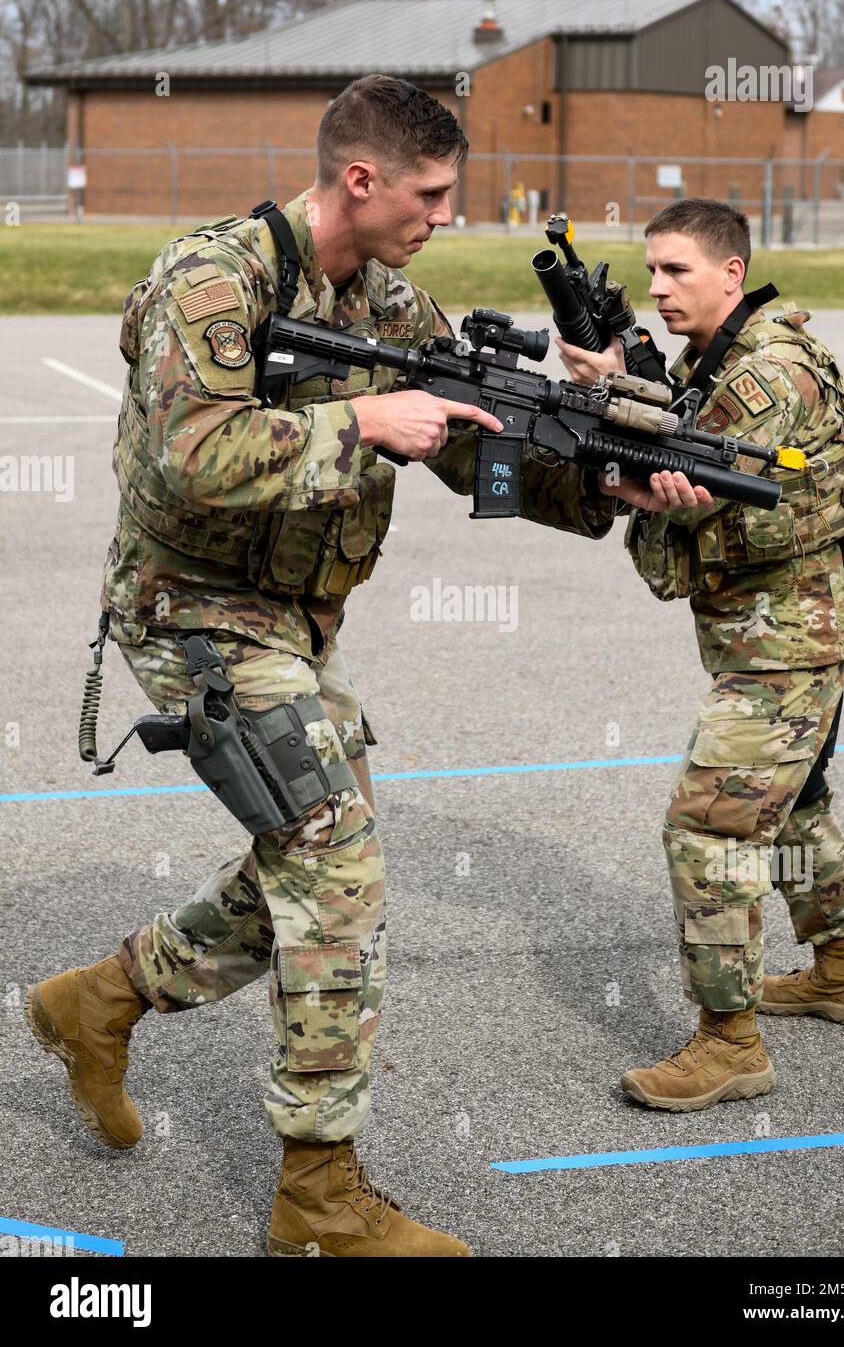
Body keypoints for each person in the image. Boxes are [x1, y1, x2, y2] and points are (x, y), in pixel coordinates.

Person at [25, 74, 706, 1258]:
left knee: (315, 857)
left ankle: (100, 1001)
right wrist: (361, 422)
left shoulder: (389, 303)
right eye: (431, 194)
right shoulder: (213, 278)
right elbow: (189, 457)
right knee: (332, 863)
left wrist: (608, 480)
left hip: (291, 628)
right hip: (188, 610)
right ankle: (319, 1201)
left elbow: (481, 439)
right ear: (361, 179)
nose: (446, 213)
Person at [558, 197, 844, 1113]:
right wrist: (625, 383)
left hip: (785, 648)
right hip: (787, 636)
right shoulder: (732, 357)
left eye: (678, 272)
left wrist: (609, 412)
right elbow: (680, 428)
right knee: (796, 806)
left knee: (710, 828)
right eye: (652, 272)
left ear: (732, 273)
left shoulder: (765, 373)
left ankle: (728, 1043)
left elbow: (687, 480)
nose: (659, 288)